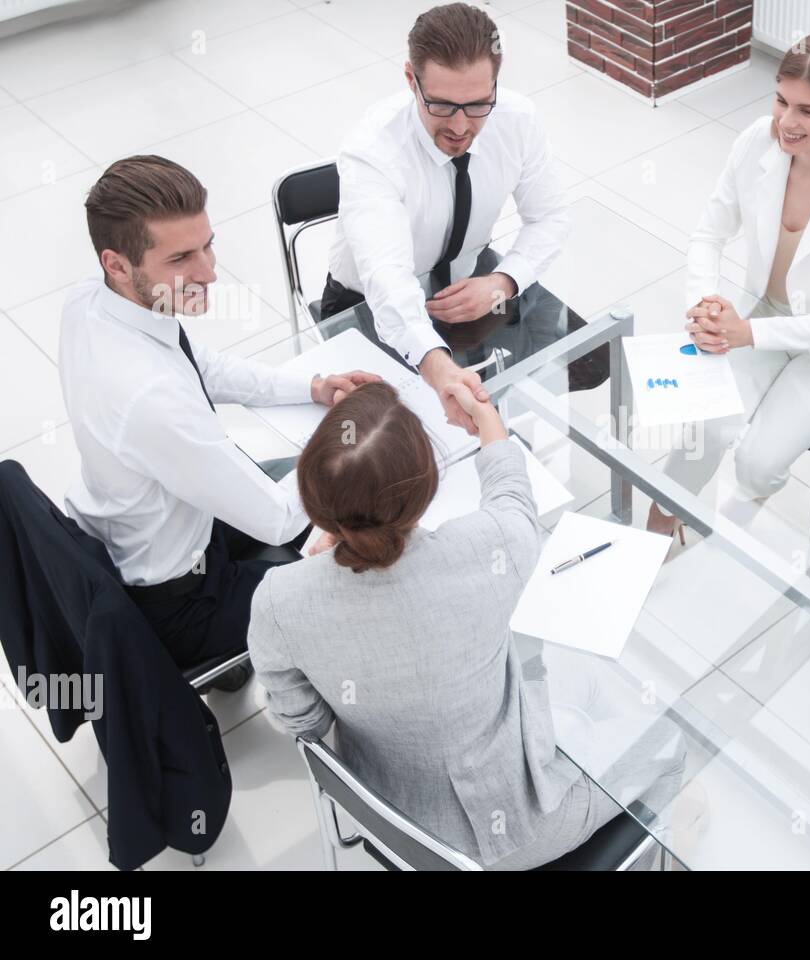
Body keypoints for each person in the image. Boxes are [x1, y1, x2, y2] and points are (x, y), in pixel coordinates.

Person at [247, 381, 684, 869]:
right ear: (427, 484)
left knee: (565, 684)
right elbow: (513, 498)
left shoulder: (277, 601)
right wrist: (487, 421)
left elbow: (304, 723)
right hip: (514, 838)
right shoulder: (491, 546)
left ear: (314, 496)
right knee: (669, 737)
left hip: (393, 820)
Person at [61, 155, 378, 686]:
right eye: (181, 257)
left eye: (208, 245)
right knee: (357, 570)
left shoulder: (89, 303)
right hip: (179, 604)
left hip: (137, 528)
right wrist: (345, 444)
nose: (209, 272)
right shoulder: (151, 399)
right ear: (117, 264)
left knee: (294, 481)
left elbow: (199, 364)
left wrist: (312, 388)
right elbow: (277, 519)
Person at [647, 31, 810, 540]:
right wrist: (706, 304)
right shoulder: (755, 142)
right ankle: (659, 525)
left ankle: (747, 504)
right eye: (782, 100)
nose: (786, 122)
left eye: (808, 111)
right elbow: (708, 234)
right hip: (762, 312)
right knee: (707, 427)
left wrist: (748, 335)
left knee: (756, 463)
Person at [321, 1, 588, 433]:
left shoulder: (518, 120)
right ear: (411, 80)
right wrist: (441, 371)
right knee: (408, 441)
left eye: (479, 104)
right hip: (369, 305)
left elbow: (551, 217)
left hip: (471, 279)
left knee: (577, 367)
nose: (461, 127)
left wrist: (502, 282)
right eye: (442, 105)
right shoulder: (372, 150)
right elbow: (388, 281)